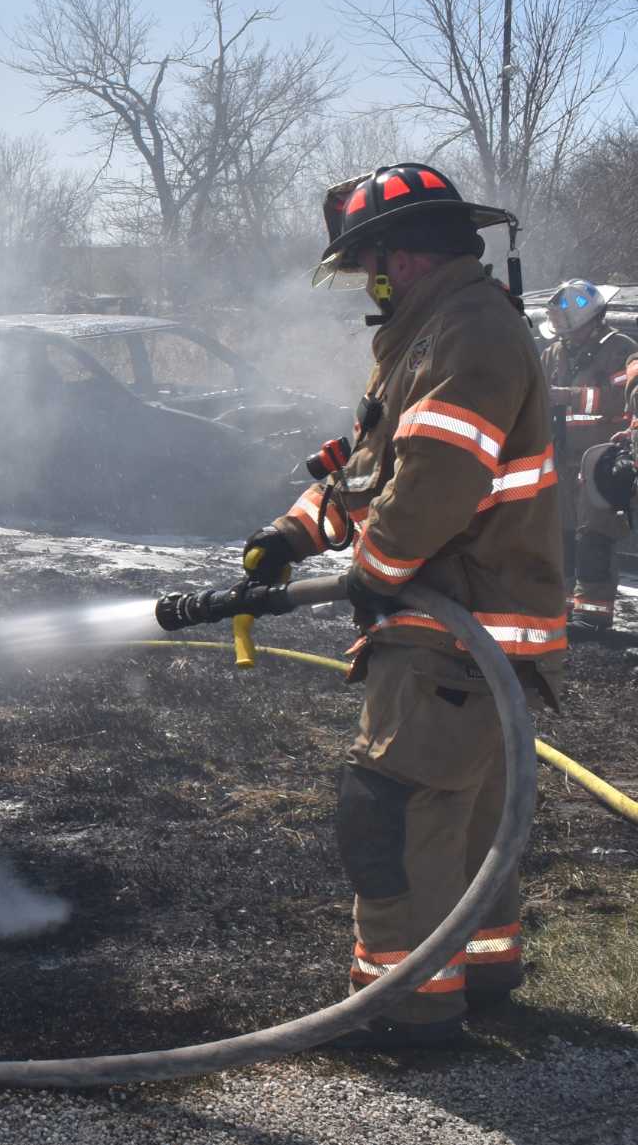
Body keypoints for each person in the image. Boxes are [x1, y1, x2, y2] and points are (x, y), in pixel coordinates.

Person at [242, 163, 562, 1049]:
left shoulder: (468, 335)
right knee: (463, 816)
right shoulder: (435, 334)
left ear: (403, 259)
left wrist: (373, 569)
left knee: (390, 808)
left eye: (370, 265)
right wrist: (294, 535)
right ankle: (482, 968)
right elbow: (372, 467)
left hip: (452, 623)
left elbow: (430, 489)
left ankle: (407, 1010)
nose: (366, 286)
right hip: (470, 631)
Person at [540, 280, 638, 632]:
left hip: (600, 460)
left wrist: (567, 396)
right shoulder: (554, 352)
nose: (569, 336)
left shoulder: (620, 350)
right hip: (561, 459)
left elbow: (617, 398)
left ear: (595, 321)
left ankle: (594, 616)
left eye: (574, 328)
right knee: (561, 536)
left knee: (594, 536)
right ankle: (562, 608)